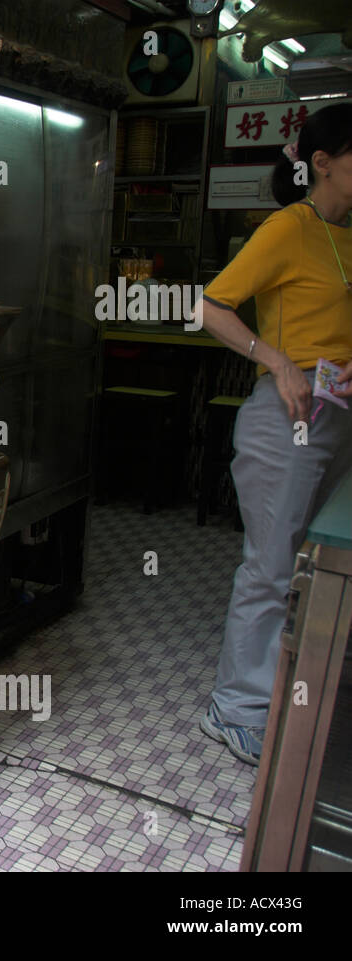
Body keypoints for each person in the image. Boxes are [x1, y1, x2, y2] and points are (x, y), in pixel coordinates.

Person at [198, 103, 352, 764]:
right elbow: (208, 304)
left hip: (339, 417)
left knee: (319, 564)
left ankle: (294, 688)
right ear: (323, 163)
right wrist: (278, 359)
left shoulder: (349, 235)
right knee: (271, 563)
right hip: (285, 419)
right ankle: (234, 708)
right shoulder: (288, 229)